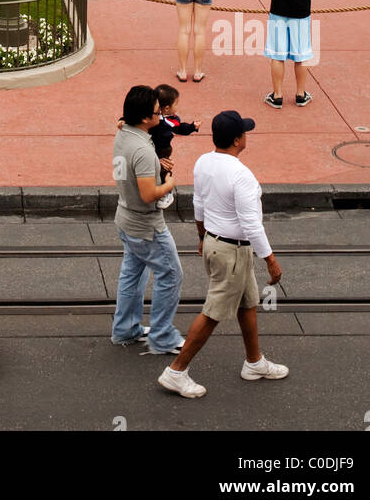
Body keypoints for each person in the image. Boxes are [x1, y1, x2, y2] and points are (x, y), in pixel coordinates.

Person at [158, 110, 287, 399]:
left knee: (248, 302)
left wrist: (202, 236)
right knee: (213, 312)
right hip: (233, 252)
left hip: (216, 244)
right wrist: (271, 261)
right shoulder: (242, 175)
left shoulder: (204, 162)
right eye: (244, 132)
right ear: (238, 139)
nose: (246, 135)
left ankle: (254, 363)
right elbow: (252, 224)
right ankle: (176, 372)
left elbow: (199, 203)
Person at [110, 85, 183, 355]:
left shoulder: (123, 135)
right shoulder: (142, 150)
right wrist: (170, 184)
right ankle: (163, 336)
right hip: (146, 226)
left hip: (125, 217)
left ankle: (125, 329)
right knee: (172, 274)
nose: (160, 116)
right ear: (144, 118)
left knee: (133, 275)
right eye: (156, 112)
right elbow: (149, 194)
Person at [150, 83, 202, 209]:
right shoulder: (154, 116)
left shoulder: (170, 119)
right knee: (154, 168)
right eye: (176, 104)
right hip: (151, 146)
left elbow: (180, 128)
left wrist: (192, 127)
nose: (177, 107)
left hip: (163, 149)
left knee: (164, 169)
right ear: (166, 108)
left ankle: (166, 193)